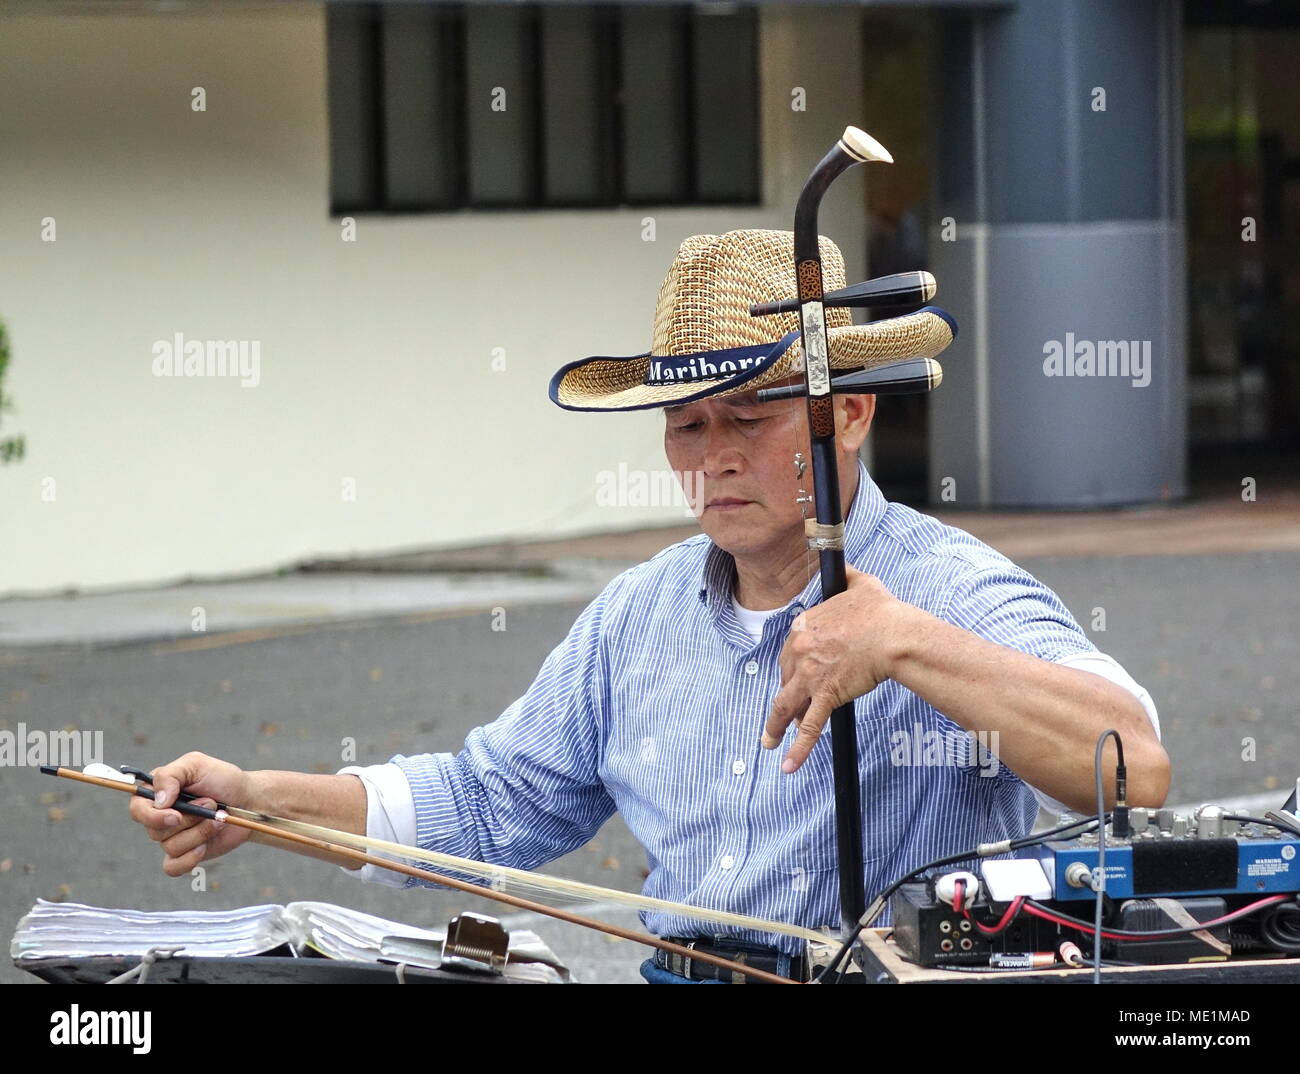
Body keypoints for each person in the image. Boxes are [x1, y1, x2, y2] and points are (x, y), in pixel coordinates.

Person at [129, 229, 1169, 984]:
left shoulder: (947, 585)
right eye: (685, 423)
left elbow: (1134, 760)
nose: (711, 455)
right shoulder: (638, 615)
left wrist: (902, 641)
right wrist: (255, 801)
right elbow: (489, 803)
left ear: (847, 414)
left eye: (749, 415)